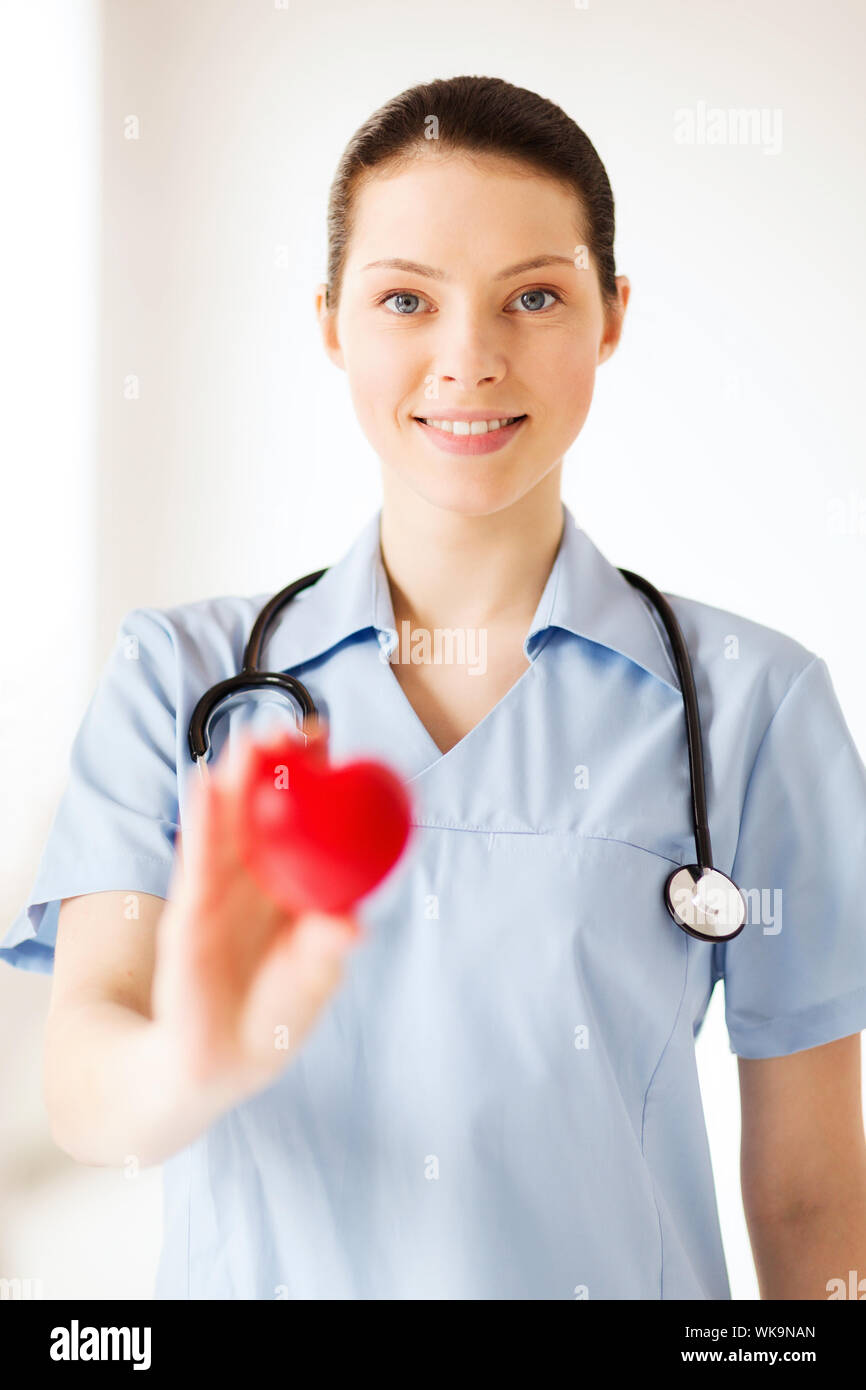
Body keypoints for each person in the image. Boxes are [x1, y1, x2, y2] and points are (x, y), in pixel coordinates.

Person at [3, 74, 866, 1301]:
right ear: (330, 321)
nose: (468, 359)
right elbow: (91, 1090)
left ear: (610, 317)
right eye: (405, 298)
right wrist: (197, 1055)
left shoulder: (754, 705)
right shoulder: (178, 679)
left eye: (533, 296)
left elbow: (809, 1195)